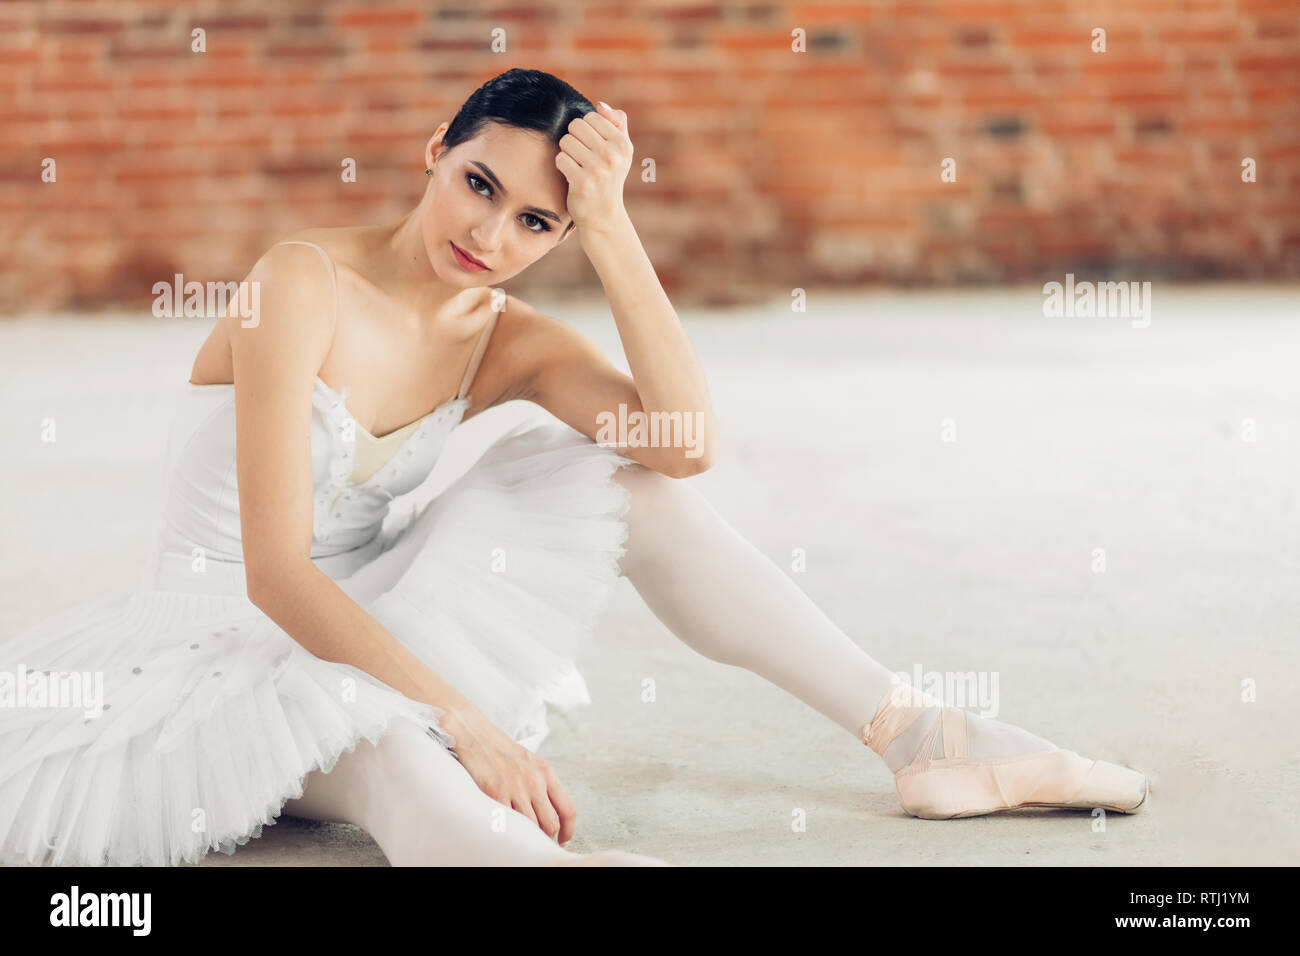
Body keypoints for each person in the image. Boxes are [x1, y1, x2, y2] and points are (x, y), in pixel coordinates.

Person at [0, 69, 1146, 868]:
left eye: (537, 224)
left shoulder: (504, 335)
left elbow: (680, 448)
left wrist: (613, 229)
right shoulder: (300, 278)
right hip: (221, 638)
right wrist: (464, 720)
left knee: (619, 477)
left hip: (374, 606)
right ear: (434, 155)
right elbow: (272, 573)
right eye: (480, 185)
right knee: (399, 753)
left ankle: (917, 735)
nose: (492, 237)